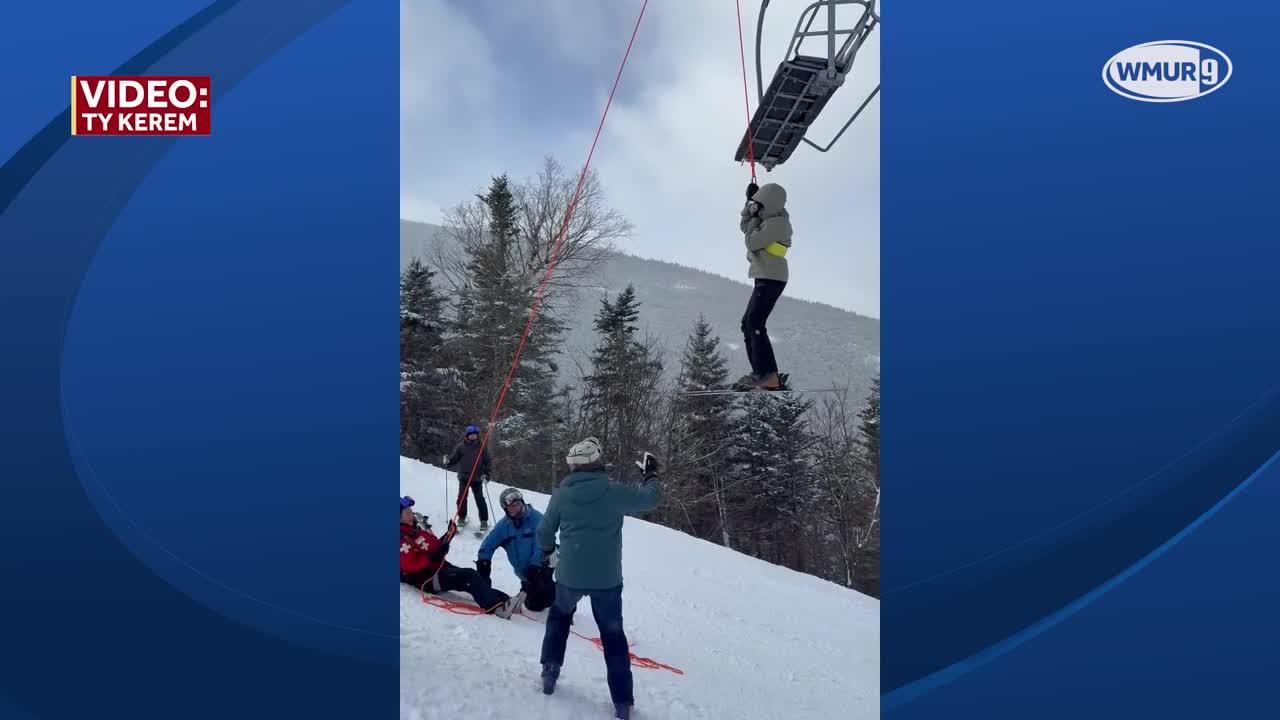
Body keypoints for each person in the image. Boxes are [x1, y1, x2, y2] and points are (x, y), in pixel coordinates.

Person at [536, 438, 662, 720]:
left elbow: (544, 533)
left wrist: (550, 554)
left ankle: (550, 671)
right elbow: (650, 498)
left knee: (559, 618)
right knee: (613, 636)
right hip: (606, 580)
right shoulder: (612, 491)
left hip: (569, 575)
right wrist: (651, 474)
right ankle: (623, 703)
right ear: (597, 462)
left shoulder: (562, 495)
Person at [399, 496, 524, 618]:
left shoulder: (414, 529)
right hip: (427, 579)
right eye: (407, 511)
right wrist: (433, 557)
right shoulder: (401, 538)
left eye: (410, 510)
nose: (411, 513)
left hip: (438, 568)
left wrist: (448, 535)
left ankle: (508, 600)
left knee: (472, 578)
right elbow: (411, 565)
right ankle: (497, 608)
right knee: (469, 576)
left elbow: (435, 548)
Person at [734, 181, 792, 391]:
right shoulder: (769, 219)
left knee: (755, 322)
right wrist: (748, 205)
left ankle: (767, 375)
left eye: (759, 204)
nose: (756, 208)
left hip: (772, 277)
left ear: (767, 204)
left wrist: (754, 215)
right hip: (765, 275)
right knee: (748, 323)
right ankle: (762, 372)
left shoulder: (779, 224)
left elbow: (751, 241)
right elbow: (745, 228)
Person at [476, 488, 556, 613]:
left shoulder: (537, 518)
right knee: (534, 605)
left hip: (541, 567)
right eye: (511, 507)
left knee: (544, 597)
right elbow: (488, 545)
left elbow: (540, 544)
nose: (516, 508)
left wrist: (536, 565)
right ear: (506, 509)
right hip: (525, 574)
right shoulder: (504, 526)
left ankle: (562, 596)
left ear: (522, 502)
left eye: (518, 504)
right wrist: (484, 563)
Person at [442, 424, 492, 530]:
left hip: (477, 478)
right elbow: (454, 458)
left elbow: (487, 462)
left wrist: (486, 475)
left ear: (477, 436)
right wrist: (448, 461)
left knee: (480, 499)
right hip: (464, 477)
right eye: (471, 435)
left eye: (475, 435)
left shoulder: (482, 447)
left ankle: (484, 520)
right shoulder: (461, 447)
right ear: (467, 435)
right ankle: (461, 517)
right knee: (462, 498)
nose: (473, 437)